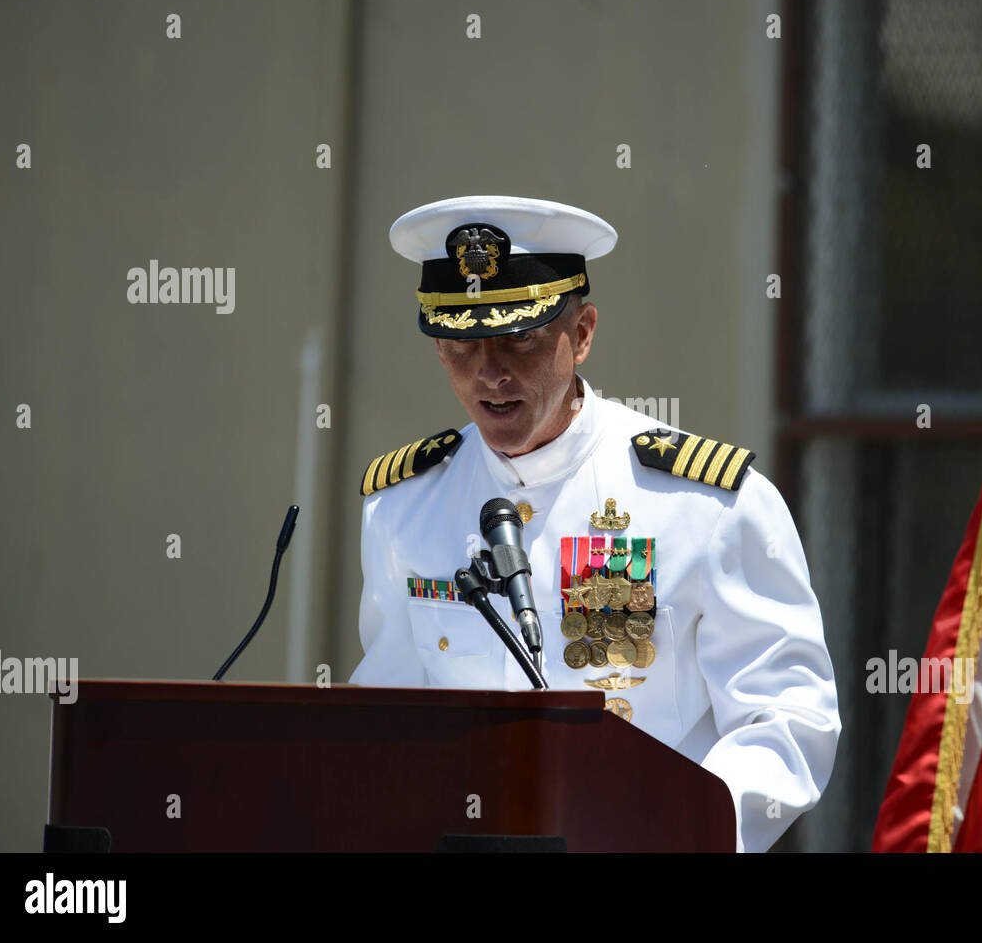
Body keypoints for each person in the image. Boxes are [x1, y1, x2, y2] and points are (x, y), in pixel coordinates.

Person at [350, 195, 840, 852]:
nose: (490, 372)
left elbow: (788, 717)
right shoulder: (404, 505)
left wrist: (676, 828)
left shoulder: (706, 503)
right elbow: (389, 718)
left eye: (520, 337)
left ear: (581, 333)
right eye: (463, 342)